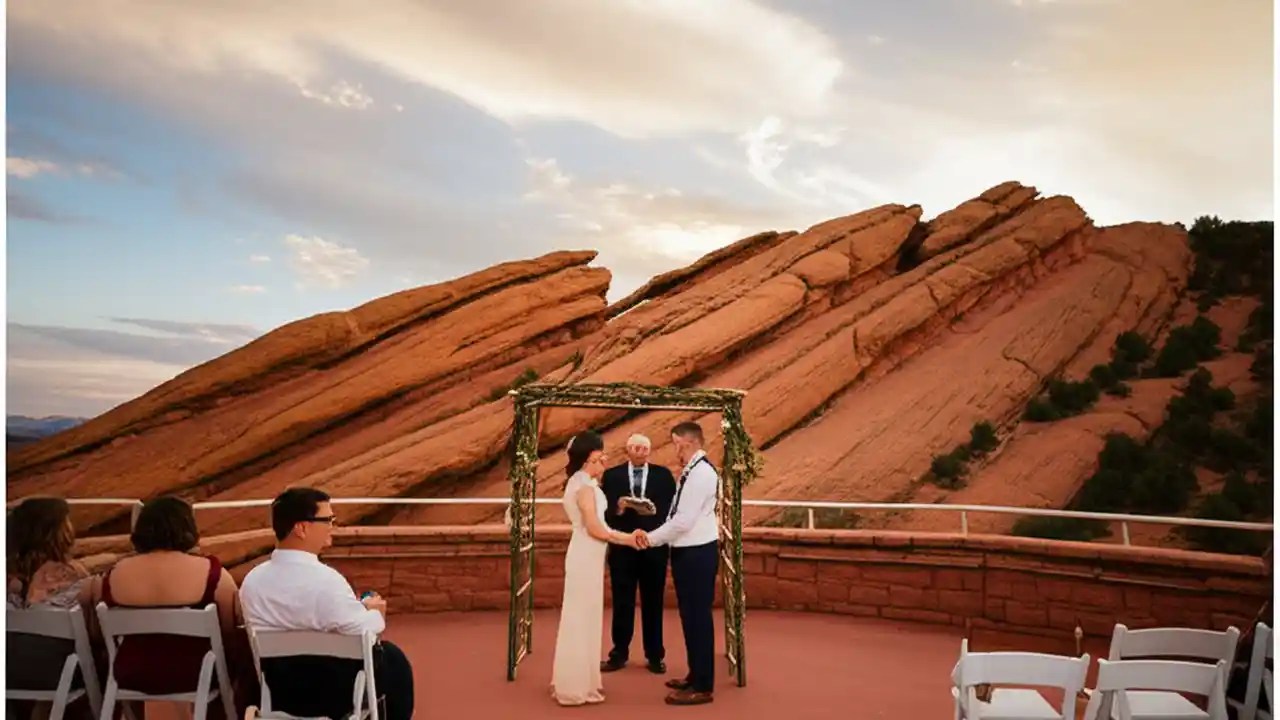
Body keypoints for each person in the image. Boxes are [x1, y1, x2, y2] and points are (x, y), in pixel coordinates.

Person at [239, 488, 414, 720]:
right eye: (327, 520)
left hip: (278, 689)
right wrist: (374, 613)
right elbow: (365, 633)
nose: (333, 525)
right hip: (331, 692)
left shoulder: (252, 581)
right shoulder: (326, 581)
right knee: (392, 659)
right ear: (301, 528)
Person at [95, 495, 258, 714]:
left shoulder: (115, 574)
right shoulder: (211, 572)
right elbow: (228, 631)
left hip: (131, 673)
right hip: (194, 673)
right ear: (187, 527)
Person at [550, 431, 643, 706]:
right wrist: (627, 538)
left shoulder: (578, 482)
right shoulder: (586, 487)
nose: (603, 462)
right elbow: (594, 528)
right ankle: (575, 685)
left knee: (582, 616)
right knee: (582, 617)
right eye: (600, 457)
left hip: (585, 553)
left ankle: (576, 678)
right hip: (586, 554)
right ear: (589, 459)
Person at [636, 421, 720, 706]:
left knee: (697, 618)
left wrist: (650, 538)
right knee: (690, 617)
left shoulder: (702, 474)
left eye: (676, 444)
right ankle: (695, 674)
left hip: (697, 553)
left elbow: (683, 521)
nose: (675, 451)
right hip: (688, 552)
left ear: (688, 442)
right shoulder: (693, 471)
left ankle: (703, 686)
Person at [7, 496, 96, 717]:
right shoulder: (72, 575)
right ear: (61, 532)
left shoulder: (10, 577)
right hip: (58, 673)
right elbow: (92, 633)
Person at [600, 433, 676, 674]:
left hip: (653, 548)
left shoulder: (663, 476)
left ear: (650, 451)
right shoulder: (612, 476)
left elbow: (669, 511)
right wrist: (619, 508)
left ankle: (655, 655)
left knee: (653, 602)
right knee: (622, 602)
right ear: (627, 449)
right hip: (623, 549)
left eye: (644, 448)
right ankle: (618, 653)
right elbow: (605, 514)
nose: (640, 451)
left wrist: (649, 528)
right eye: (636, 447)